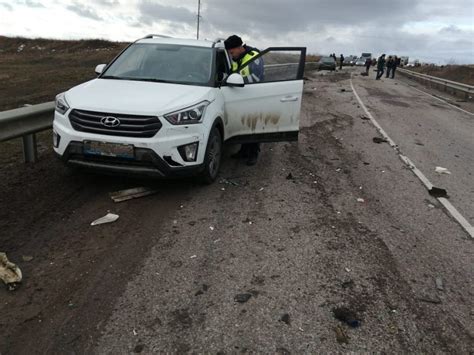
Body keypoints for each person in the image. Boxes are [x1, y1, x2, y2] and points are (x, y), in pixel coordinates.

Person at [224, 34, 264, 166]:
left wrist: (237, 82)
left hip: (254, 97)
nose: (231, 55)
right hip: (241, 97)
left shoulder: (254, 56)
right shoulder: (237, 58)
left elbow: (256, 77)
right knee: (244, 125)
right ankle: (244, 151)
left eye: (232, 52)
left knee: (253, 126)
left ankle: (253, 153)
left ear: (240, 47)